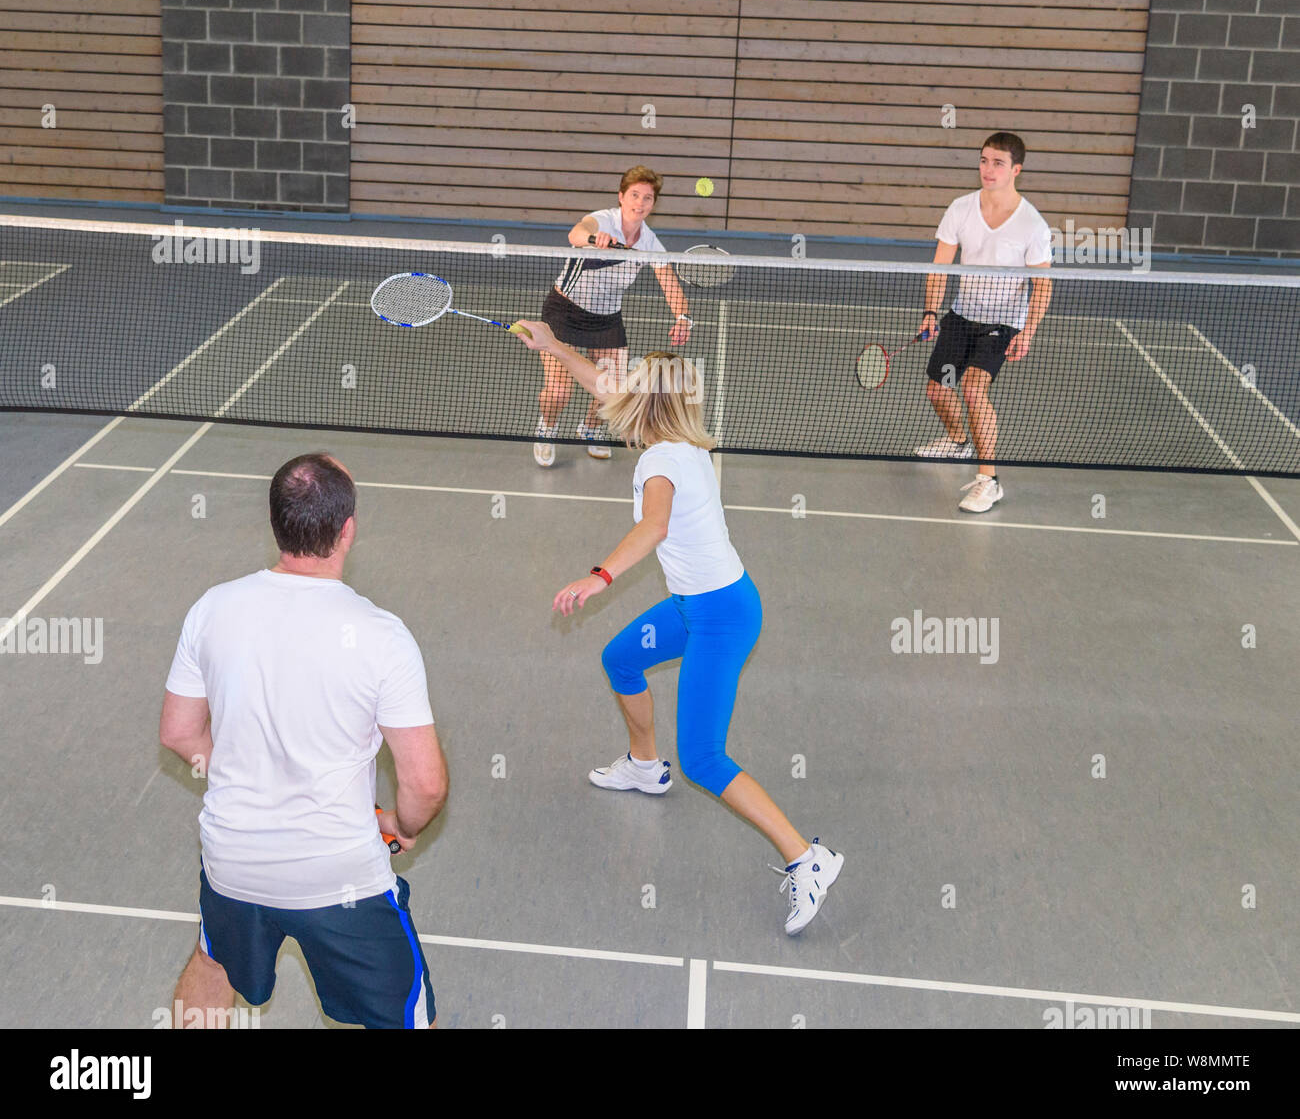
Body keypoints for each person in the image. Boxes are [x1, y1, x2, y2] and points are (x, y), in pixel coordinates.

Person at [514, 322, 844, 935]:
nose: (618, 392)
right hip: (701, 605)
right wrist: (555, 348)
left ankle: (808, 858)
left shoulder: (661, 464)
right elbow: (605, 385)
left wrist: (599, 577)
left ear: (647, 401)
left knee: (703, 757)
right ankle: (644, 766)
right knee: (620, 659)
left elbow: (654, 528)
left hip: (719, 618)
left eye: (632, 386)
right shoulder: (680, 442)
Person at [159, 454, 447, 1029]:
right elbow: (425, 783)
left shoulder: (212, 608)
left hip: (233, 859)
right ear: (348, 530)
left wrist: (250, 781)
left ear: (275, 525)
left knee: (213, 960)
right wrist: (404, 826)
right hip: (338, 874)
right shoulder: (381, 636)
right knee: (404, 1019)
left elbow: (179, 732)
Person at [913, 133, 1053, 512]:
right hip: (962, 315)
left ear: (1016, 170)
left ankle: (988, 480)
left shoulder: (1032, 225)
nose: (988, 170)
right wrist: (931, 311)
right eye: (984, 161)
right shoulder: (960, 209)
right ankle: (957, 439)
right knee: (938, 391)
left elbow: (1042, 284)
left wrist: (1029, 330)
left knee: (974, 390)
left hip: (1003, 322)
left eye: (998, 163)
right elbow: (940, 266)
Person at [533, 165, 692, 467]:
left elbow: (668, 280)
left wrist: (683, 317)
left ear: (653, 204)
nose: (640, 203)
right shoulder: (604, 220)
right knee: (559, 390)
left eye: (647, 198)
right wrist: (595, 239)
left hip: (606, 319)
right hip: (564, 312)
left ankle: (589, 430)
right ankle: (546, 429)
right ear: (621, 196)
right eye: (634, 195)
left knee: (614, 393)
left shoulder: (649, 242)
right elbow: (576, 232)